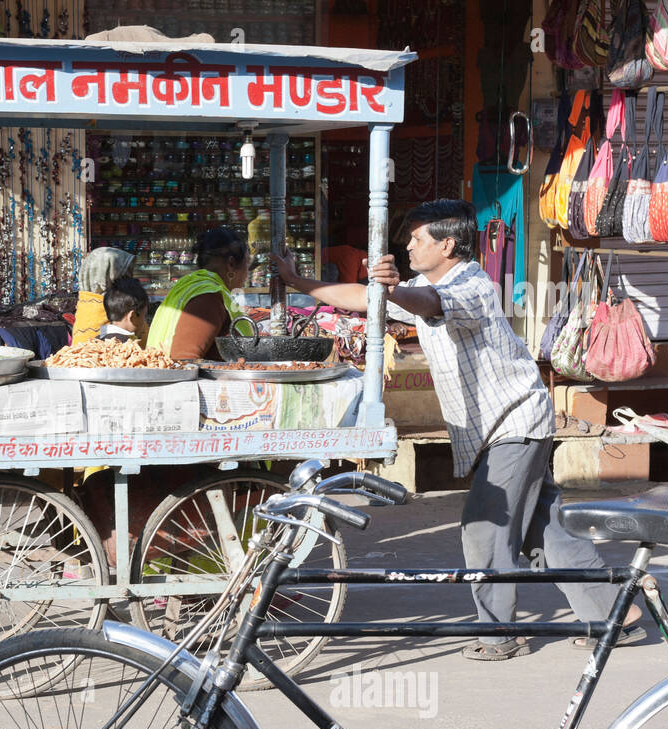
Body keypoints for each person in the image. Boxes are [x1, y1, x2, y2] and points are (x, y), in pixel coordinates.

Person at [272, 198, 643, 661]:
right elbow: (364, 298)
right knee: (544, 528)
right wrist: (301, 282)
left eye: (417, 238)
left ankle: (498, 635)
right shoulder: (430, 283)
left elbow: (428, 302)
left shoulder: (471, 284)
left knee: (485, 530)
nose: (408, 245)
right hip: (506, 425)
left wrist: (389, 291)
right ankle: (617, 615)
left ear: (447, 244)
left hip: (513, 423)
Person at [147, 227, 249, 361]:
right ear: (231, 264)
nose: (248, 273)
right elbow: (184, 359)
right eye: (247, 264)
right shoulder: (208, 297)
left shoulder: (192, 286)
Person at [71, 246, 137, 344]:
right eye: (125, 274)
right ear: (107, 275)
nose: (130, 278)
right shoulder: (98, 313)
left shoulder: (88, 306)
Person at [95, 276, 149, 342]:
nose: (144, 322)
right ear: (133, 315)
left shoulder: (93, 343)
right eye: (144, 316)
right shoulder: (129, 349)